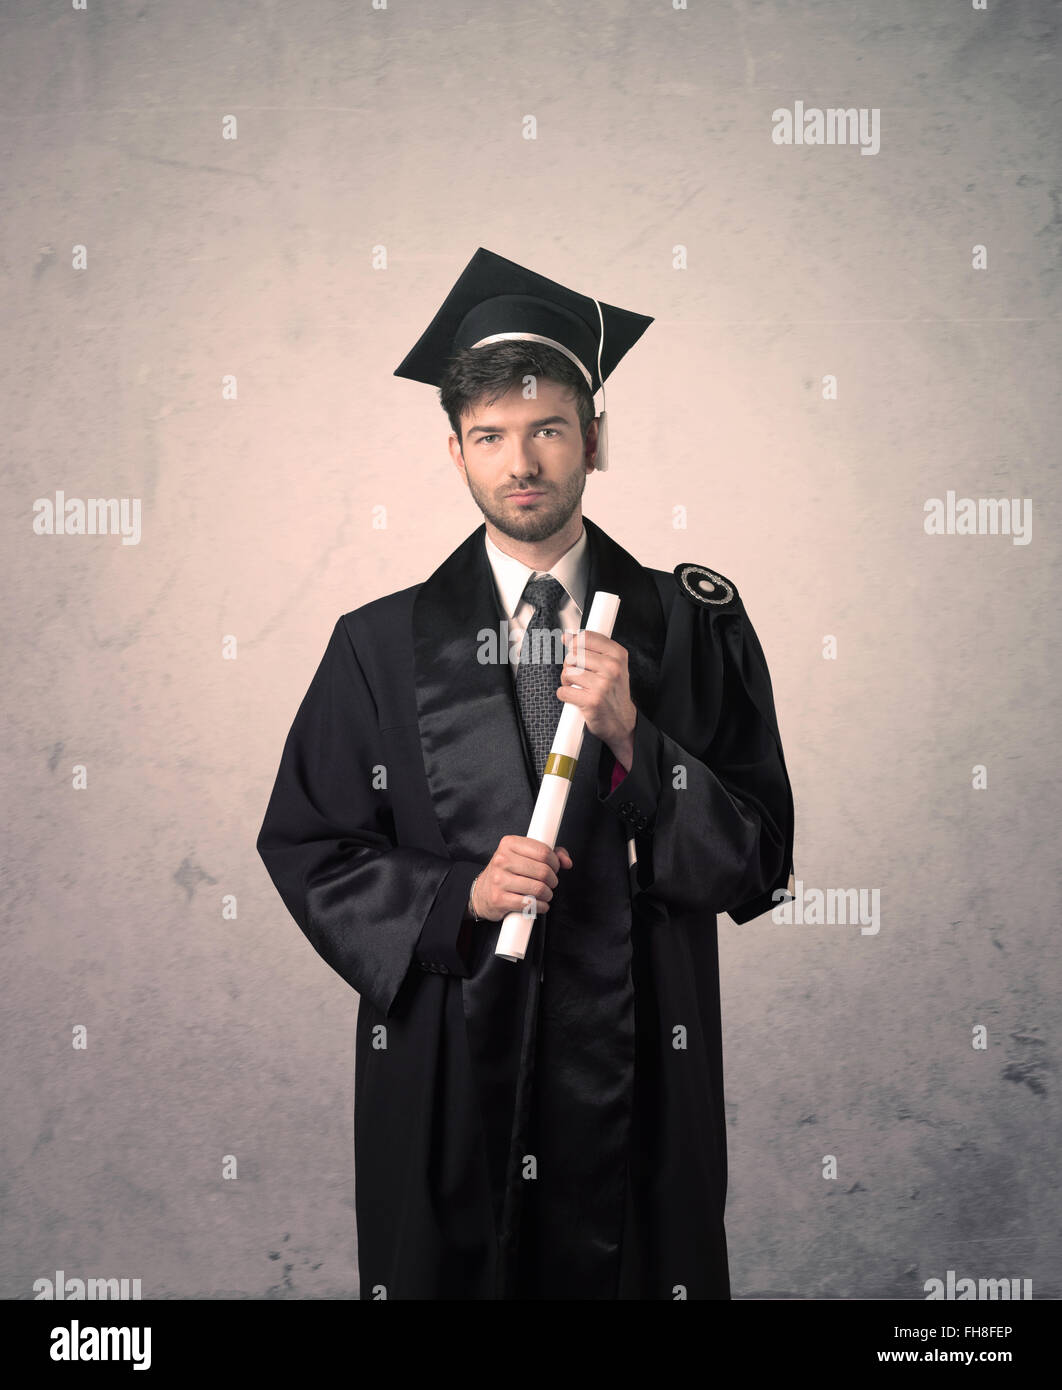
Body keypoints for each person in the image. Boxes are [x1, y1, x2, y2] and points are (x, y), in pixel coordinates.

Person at [256, 247, 795, 1300]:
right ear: (453, 450)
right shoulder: (375, 646)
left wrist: (642, 742)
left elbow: (760, 862)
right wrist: (457, 894)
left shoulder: (692, 627)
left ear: (595, 438)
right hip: (452, 1066)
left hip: (640, 1068)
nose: (523, 462)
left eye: (548, 428)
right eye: (491, 436)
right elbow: (309, 844)